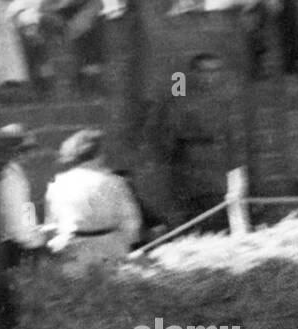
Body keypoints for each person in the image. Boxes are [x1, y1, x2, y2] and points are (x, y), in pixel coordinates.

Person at [160, 52, 240, 229]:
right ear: (194, 73)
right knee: (201, 220)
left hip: (219, 170)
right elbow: (172, 132)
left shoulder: (223, 98)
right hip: (194, 169)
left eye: (215, 71)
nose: (210, 76)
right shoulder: (181, 96)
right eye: (205, 71)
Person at [44, 129, 141, 274]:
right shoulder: (114, 182)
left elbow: (52, 223)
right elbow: (131, 222)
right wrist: (127, 245)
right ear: (99, 154)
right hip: (110, 249)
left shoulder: (58, 183)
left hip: (74, 251)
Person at [0, 123, 47, 269]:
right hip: (7, 250)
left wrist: (36, 228)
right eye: (24, 150)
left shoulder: (11, 171)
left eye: (33, 149)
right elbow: (21, 226)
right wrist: (38, 242)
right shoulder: (10, 177)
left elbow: (25, 207)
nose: (30, 155)